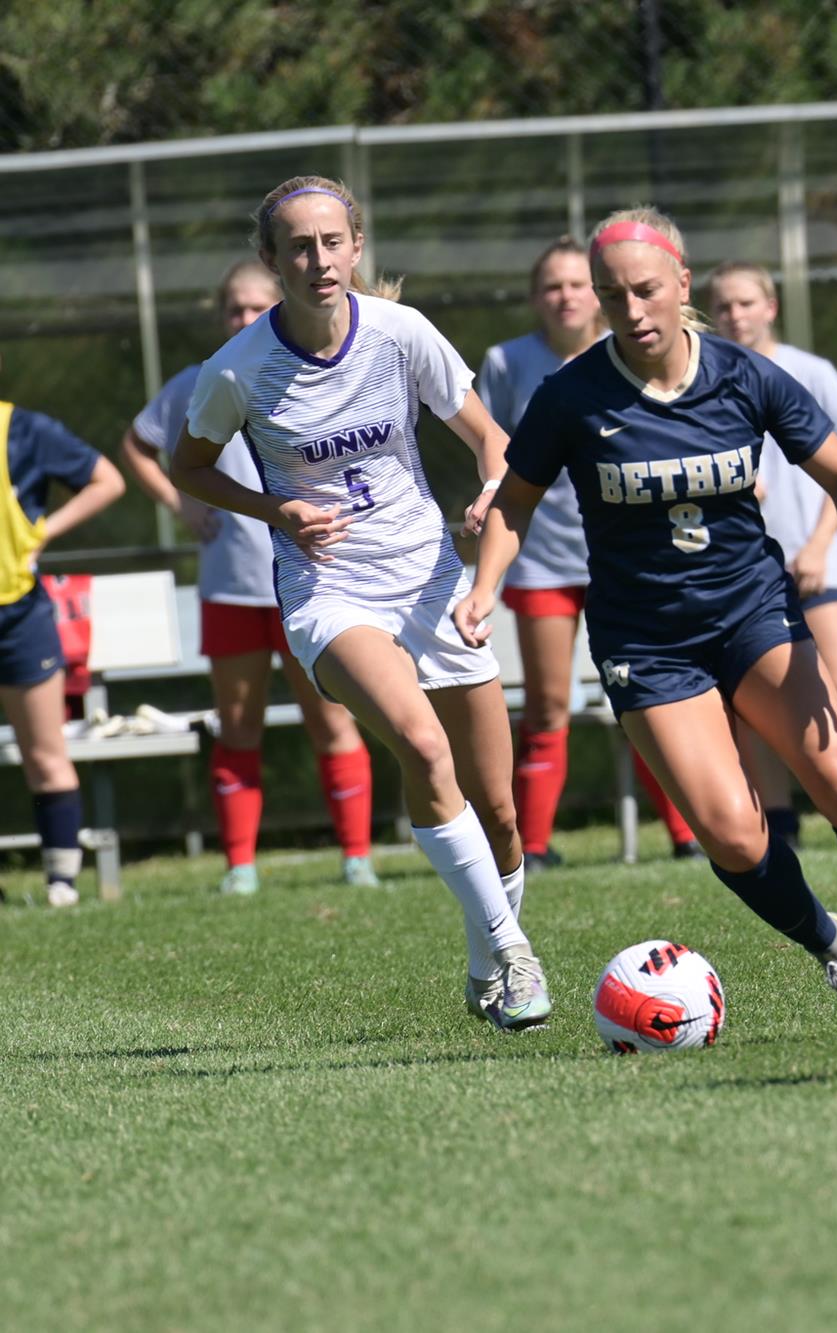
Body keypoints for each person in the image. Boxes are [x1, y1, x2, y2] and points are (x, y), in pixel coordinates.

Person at [455, 207, 837, 1032]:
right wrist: (485, 585)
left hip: (754, 612)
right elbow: (514, 502)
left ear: (682, 283)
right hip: (647, 639)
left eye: (646, 290)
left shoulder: (744, 375)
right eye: (613, 295)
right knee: (733, 836)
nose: (631, 310)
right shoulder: (569, 395)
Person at [169, 175, 551, 1030]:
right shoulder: (237, 370)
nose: (318, 260)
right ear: (271, 261)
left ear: (356, 245)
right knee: (420, 741)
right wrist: (279, 512)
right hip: (327, 589)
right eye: (298, 246)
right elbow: (185, 467)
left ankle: (489, 954)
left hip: (428, 577)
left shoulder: (400, 333)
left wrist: (492, 488)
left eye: (332, 241)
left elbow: (490, 439)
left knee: (499, 812)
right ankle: (514, 951)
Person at [121, 261, 378, 896]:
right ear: (220, 316)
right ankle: (239, 866)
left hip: (314, 583)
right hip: (231, 585)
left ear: (281, 304)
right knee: (239, 727)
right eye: (232, 308)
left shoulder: (309, 373)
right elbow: (136, 444)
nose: (242, 318)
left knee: (333, 723)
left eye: (254, 306)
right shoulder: (199, 381)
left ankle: (357, 859)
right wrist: (181, 503)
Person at [476, 237, 702, 871]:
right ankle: (534, 847)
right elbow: (491, 448)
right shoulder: (506, 361)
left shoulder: (632, 354)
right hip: (543, 563)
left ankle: (687, 833)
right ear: (534, 299)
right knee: (549, 704)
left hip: (628, 560)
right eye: (553, 286)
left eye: (578, 284)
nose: (566, 297)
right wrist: (490, 499)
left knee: (650, 697)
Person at [707, 261, 837, 847]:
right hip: (743, 572)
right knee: (752, 710)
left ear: (771, 307)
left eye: (746, 303)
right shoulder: (704, 375)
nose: (735, 315)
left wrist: (822, 547)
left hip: (812, 563)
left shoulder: (811, 372)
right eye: (725, 306)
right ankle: (781, 821)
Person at [0, 353, 126, 907]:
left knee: (46, 754)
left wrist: (42, 531)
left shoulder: (25, 430)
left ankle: (61, 887)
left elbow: (108, 481)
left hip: (19, 615)